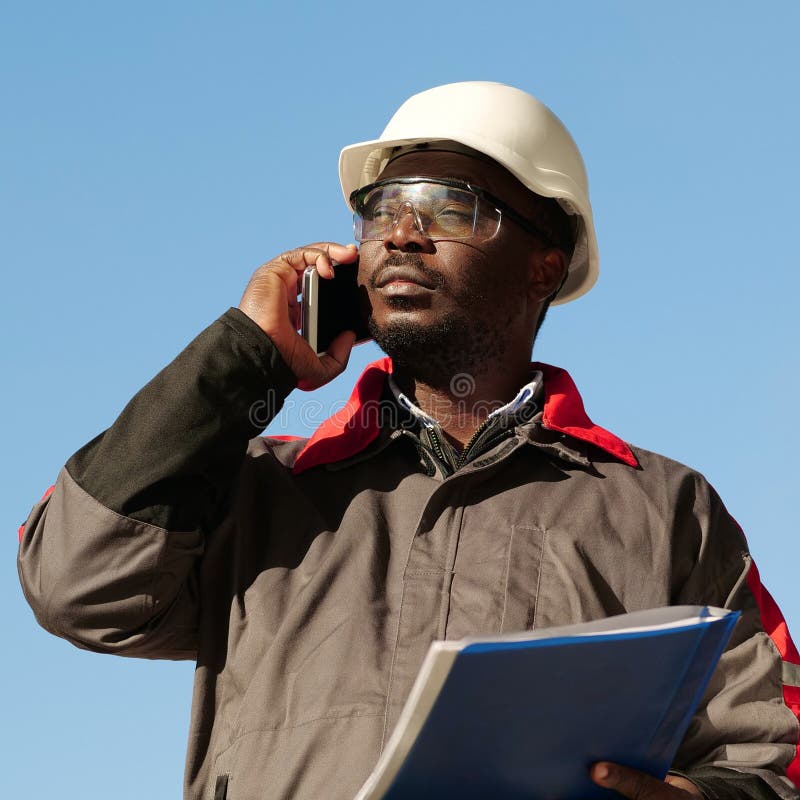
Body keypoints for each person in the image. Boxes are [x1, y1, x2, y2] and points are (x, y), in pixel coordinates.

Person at [17, 81, 800, 800]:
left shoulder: (665, 508)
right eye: (382, 208)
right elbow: (75, 586)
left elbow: (775, 756)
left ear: (544, 265)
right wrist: (244, 358)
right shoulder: (252, 485)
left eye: (448, 208)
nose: (401, 235)